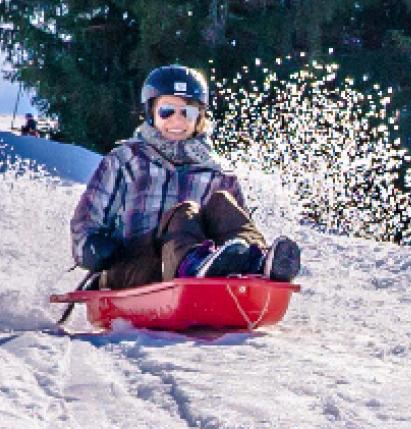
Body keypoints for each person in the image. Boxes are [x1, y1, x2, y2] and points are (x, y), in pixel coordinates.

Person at [70, 64, 301, 290]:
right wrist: (91, 248)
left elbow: (235, 226)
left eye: (187, 112)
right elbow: (87, 220)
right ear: (151, 113)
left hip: (206, 273)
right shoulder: (126, 161)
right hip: (135, 267)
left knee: (222, 202)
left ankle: (257, 263)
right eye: (167, 111)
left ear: (199, 117)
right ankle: (192, 265)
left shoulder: (217, 173)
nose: (177, 120)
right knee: (184, 211)